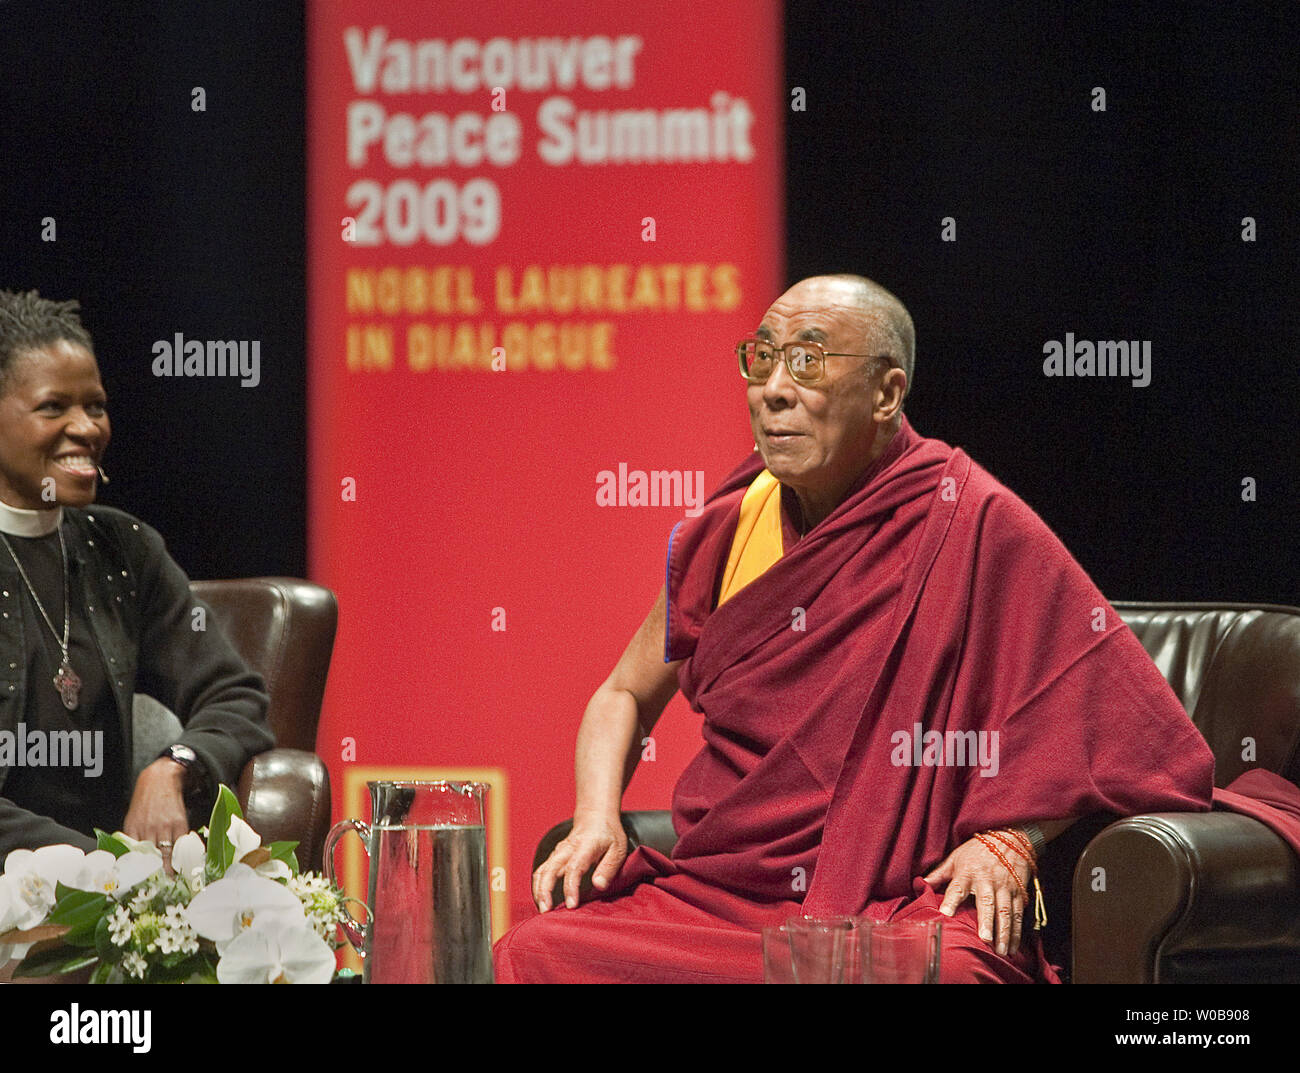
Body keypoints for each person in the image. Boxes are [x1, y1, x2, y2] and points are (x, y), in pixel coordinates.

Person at [494, 274, 1215, 983]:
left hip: (894, 901)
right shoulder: (729, 528)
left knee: (958, 972)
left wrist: (1016, 834)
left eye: (808, 360)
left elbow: (1127, 731)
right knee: (531, 953)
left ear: (887, 393)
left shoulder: (972, 520)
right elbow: (622, 692)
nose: (774, 387)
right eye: (762, 356)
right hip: (722, 895)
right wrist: (596, 816)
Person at [0, 290, 274, 873]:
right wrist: (101, 865)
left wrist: (175, 764)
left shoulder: (121, 549)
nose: (85, 428)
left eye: (95, 406)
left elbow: (235, 694)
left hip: (114, 896)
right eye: (53, 408)